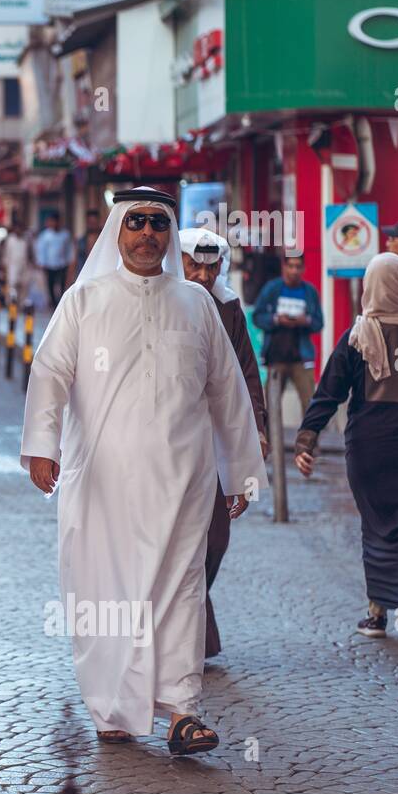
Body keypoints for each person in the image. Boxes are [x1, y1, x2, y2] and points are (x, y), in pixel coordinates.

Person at [21, 187, 265, 753]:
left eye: (159, 223)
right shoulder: (85, 299)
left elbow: (227, 392)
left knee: (183, 590)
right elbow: (51, 373)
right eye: (137, 223)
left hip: (184, 478)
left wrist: (243, 472)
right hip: (102, 482)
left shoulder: (197, 304)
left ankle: (183, 710)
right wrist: (42, 444)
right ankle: (113, 707)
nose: (148, 233)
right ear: (117, 232)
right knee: (109, 594)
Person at [295, 253, 398, 656]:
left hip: (369, 448)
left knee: (377, 526)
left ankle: (377, 612)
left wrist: (308, 437)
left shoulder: (357, 336)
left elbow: (329, 391)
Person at [180, 229, 269, 660]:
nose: (200, 274)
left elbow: (246, 370)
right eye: (192, 265)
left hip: (217, 439)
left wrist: (259, 428)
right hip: (168, 441)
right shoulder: (161, 301)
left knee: (214, 539)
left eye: (210, 267)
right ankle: (183, 636)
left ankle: (187, 621)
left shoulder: (228, 306)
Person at [252, 253, 324, 420]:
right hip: (276, 356)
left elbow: (319, 322)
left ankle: (308, 445)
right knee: (271, 404)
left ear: (303, 269)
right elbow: (257, 316)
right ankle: (269, 443)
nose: (294, 271)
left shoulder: (309, 291)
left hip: (302, 357)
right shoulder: (272, 289)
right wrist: (277, 319)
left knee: (310, 404)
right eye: (291, 266)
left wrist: (305, 321)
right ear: (284, 267)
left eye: (298, 267)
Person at [34, 212, 75, 307]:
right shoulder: (45, 235)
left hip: (62, 264)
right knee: (50, 285)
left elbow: (69, 249)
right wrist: (41, 263)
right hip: (49, 265)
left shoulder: (65, 235)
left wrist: (70, 262)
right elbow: (41, 250)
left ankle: (61, 304)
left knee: (61, 285)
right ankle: (53, 304)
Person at [0, 226, 31, 304]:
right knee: (12, 284)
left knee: (23, 285)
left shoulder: (25, 240)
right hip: (12, 266)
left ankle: (22, 303)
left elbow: (28, 253)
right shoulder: (10, 240)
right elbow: (6, 254)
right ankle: (11, 303)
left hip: (24, 266)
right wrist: (5, 267)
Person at [77, 208, 102, 274]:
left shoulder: (105, 241)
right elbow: (74, 261)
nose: (92, 225)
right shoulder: (81, 241)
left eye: (94, 222)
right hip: (84, 276)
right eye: (90, 222)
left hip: (100, 275)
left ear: (98, 222)